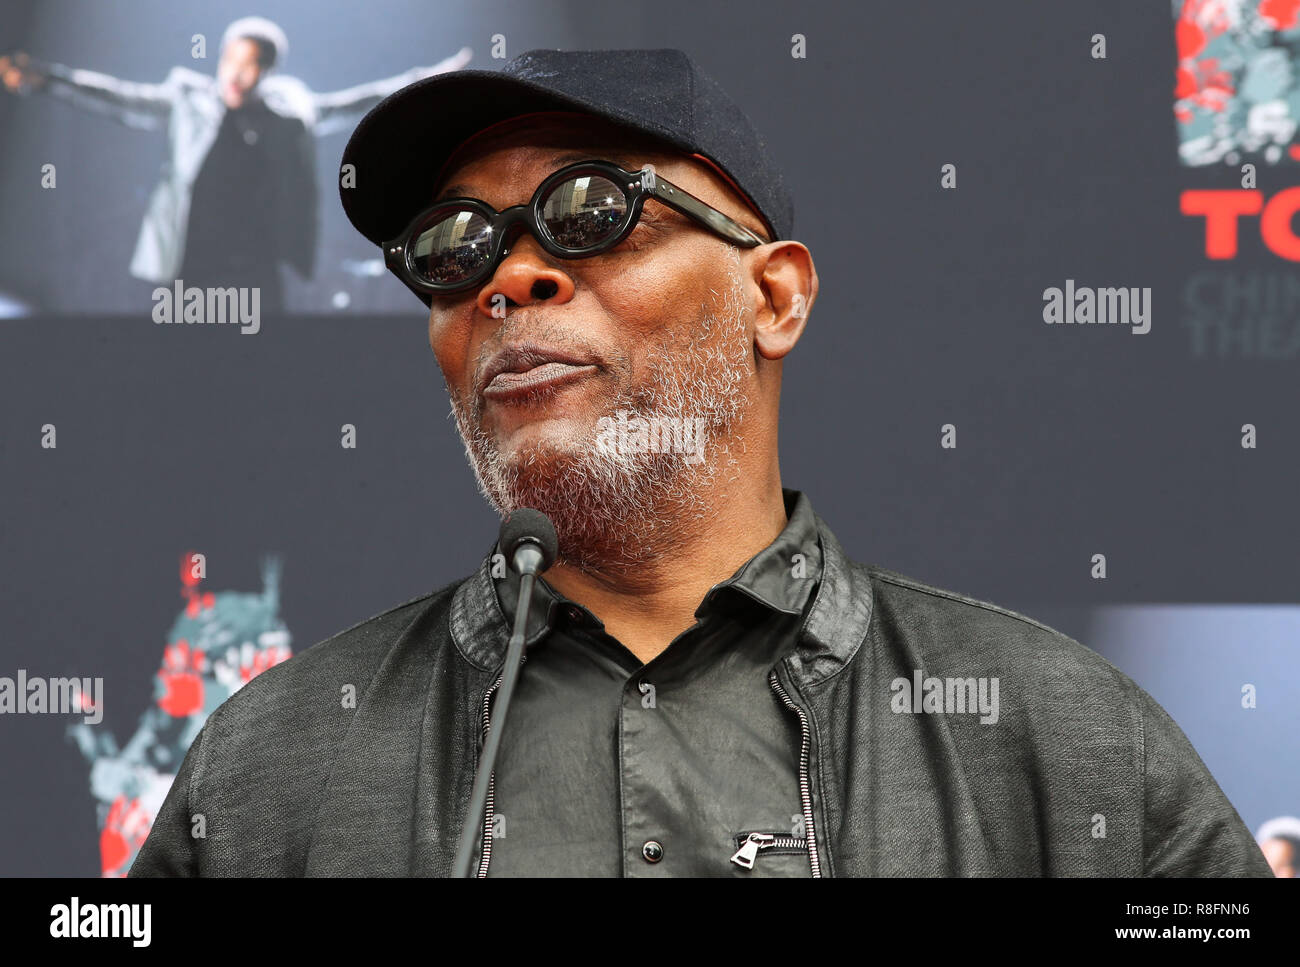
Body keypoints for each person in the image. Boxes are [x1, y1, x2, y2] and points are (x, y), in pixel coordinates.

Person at [128, 47, 1273, 877]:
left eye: (590, 209)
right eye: (452, 245)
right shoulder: (268, 764)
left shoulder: (1065, 738)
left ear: (771, 295)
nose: (504, 279)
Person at [0, 17, 470, 311]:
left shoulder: (288, 114)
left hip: (254, 260)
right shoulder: (187, 97)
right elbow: (115, 96)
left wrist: (424, 79)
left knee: (258, 353)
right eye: (232, 60)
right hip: (192, 257)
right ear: (221, 58)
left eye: (254, 65)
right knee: (186, 351)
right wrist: (48, 79)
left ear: (267, 71)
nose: (238, 74)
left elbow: (356, 102)